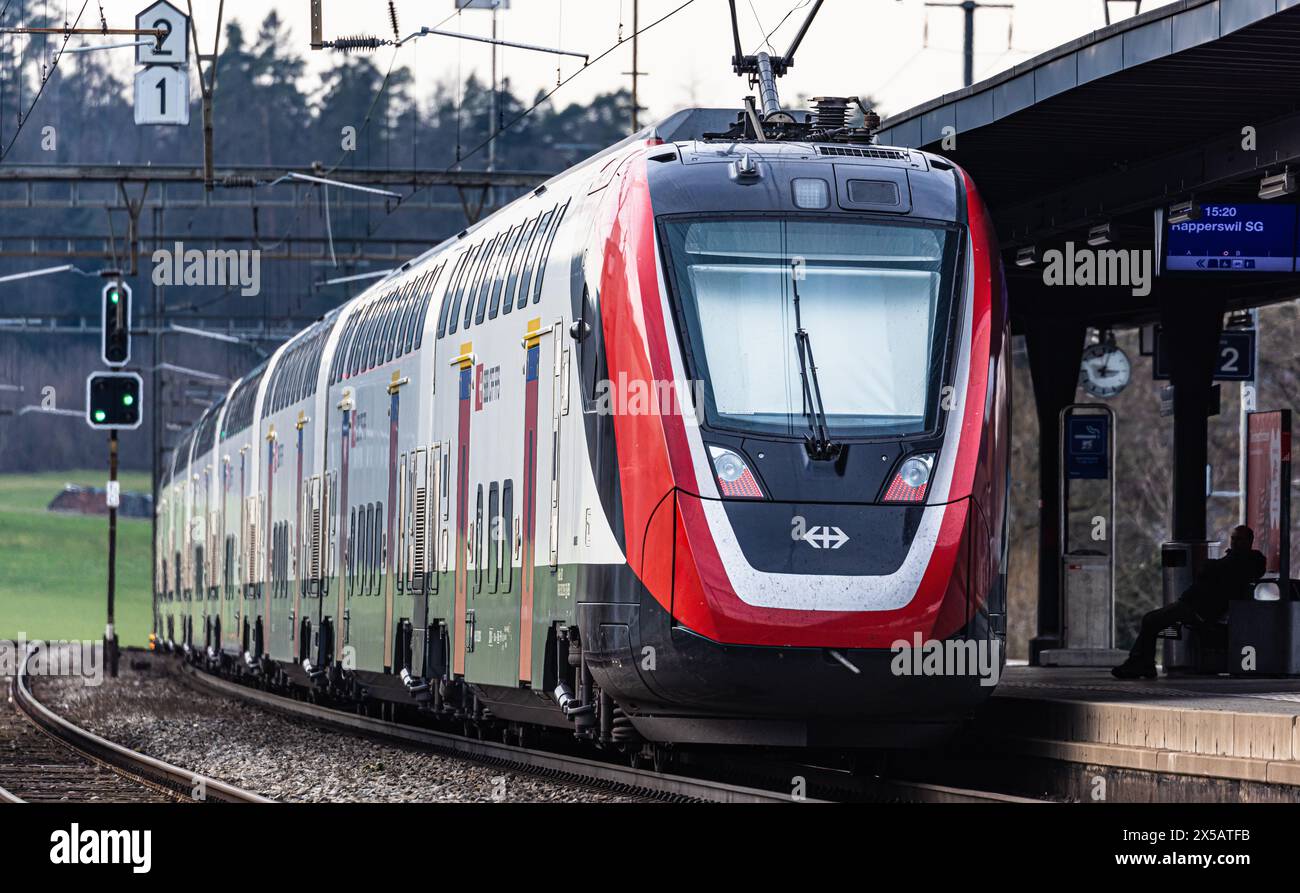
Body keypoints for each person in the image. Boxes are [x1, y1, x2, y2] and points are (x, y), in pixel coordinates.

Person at [1112, 525, 1266, 679]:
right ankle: (1142, 664)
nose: (1235, 542)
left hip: (1201, 609)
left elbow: (1220, 569)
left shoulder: (1251, 560)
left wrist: (1209, 566)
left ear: (1249, 541)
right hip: (1194, 605)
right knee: (1152, 620)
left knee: (1151, 619)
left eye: (1239, 539)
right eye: (1233, 538)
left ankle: (1140, 664)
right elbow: (1215, 570)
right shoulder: (1234, 560)